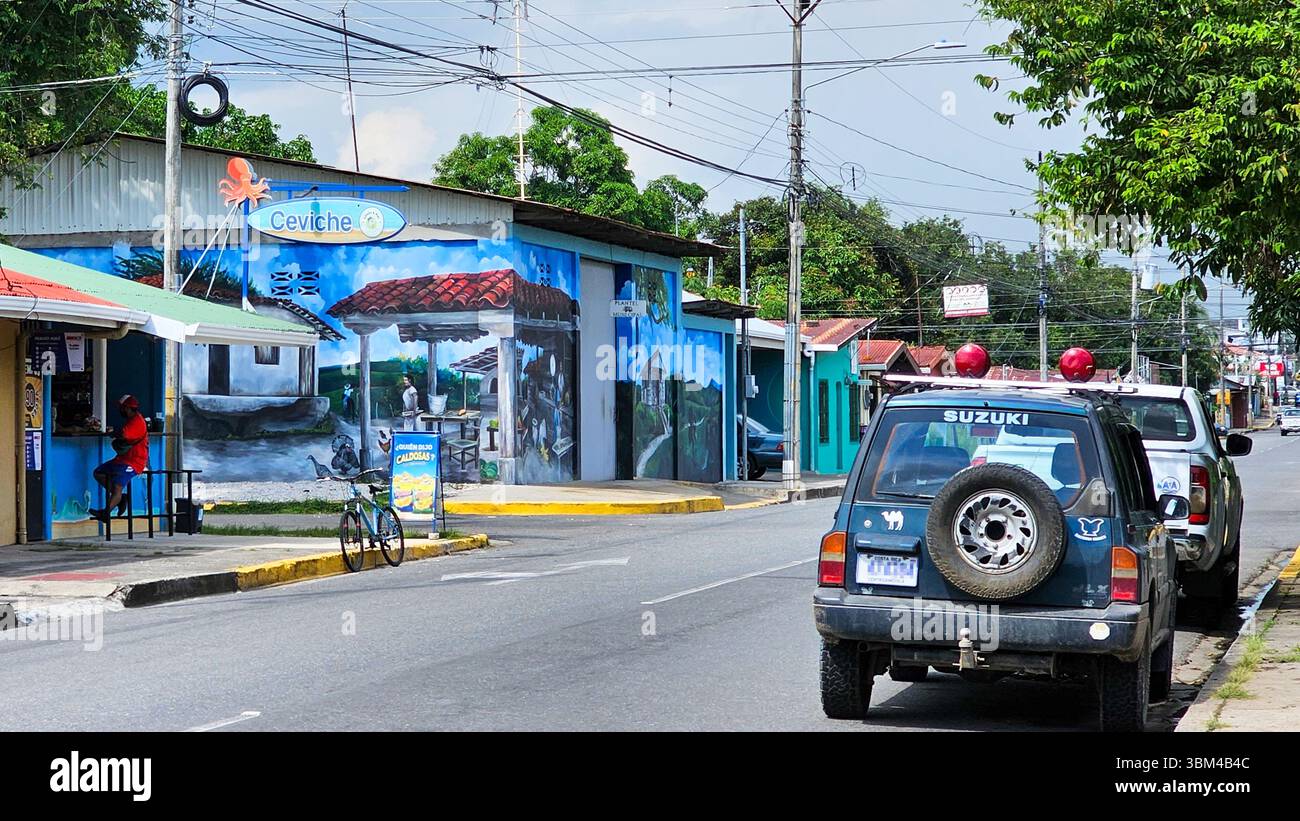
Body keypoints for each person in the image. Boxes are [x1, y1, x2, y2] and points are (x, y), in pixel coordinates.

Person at [88, 395, 149, 523]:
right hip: (122, 459)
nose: (120, 411)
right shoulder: (131, 420)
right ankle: (120, 499)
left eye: (121, 408)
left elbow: (124, 434)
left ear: (127, 408)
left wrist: (111, 431)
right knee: (99, 473)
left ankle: (106, 513)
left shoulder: (137, 422)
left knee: (117, 486)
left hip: (134, 461)